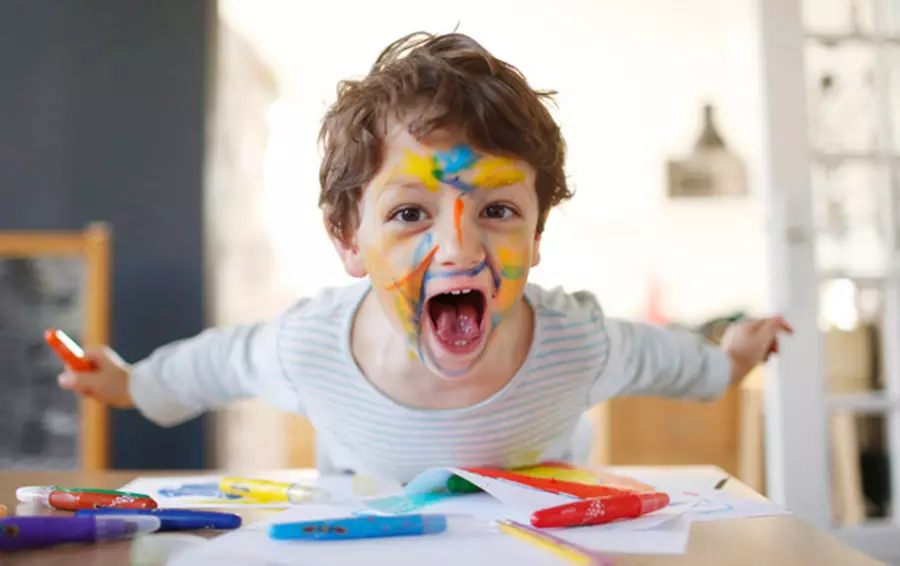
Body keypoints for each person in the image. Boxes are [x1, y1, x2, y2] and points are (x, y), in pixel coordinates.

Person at [57, 31, 791, 482]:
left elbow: (669, 361)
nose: (459, 247)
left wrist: (727, 360)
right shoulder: (312, 346)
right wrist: (131, 382)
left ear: (537, 237)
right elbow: (218, 364)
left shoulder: (576, 341)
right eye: (411, 214)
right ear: (348, 241)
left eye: (499, 211)